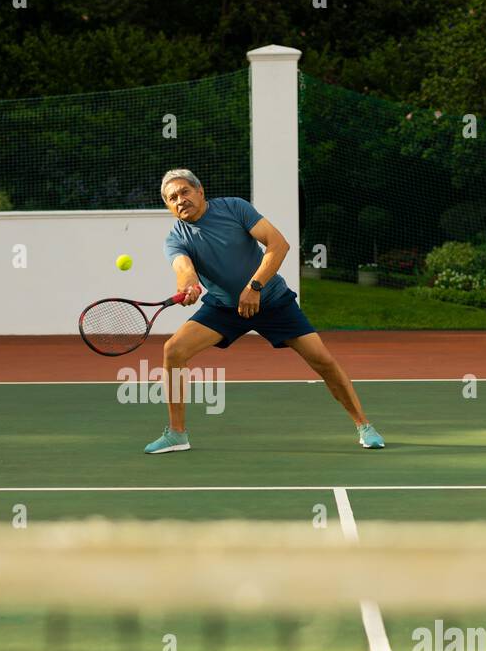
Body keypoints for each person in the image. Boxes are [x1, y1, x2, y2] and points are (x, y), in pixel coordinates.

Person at [145, 168, 384, 453]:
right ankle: (177, 434)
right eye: (172, 198)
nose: (180, 200)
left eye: (185, 192)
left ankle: (364, 425)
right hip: (224, 308)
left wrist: (254, 287)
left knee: (322, 360)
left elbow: (279, 244)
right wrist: (190, 288)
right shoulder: (175, 238)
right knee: (174, 350)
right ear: (168, 206)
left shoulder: (235, 208)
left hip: (271, 300)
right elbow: (184, 270)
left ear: (200, 191)